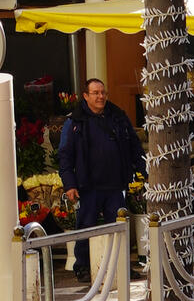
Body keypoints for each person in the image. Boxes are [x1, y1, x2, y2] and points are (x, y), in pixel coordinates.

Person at [56, 78, 144, 284]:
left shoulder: (118, 117)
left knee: (119, 227)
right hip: (89, 185)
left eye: (103, 92)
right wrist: (69, 184)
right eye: (95, 93)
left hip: (115, 184)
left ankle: (121, 266)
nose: (100, 96)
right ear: (85, 96)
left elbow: (134, 145)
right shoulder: (75, 122)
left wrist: (141, 169)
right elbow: (65, 155)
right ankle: (83, 266)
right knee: (86, 227)